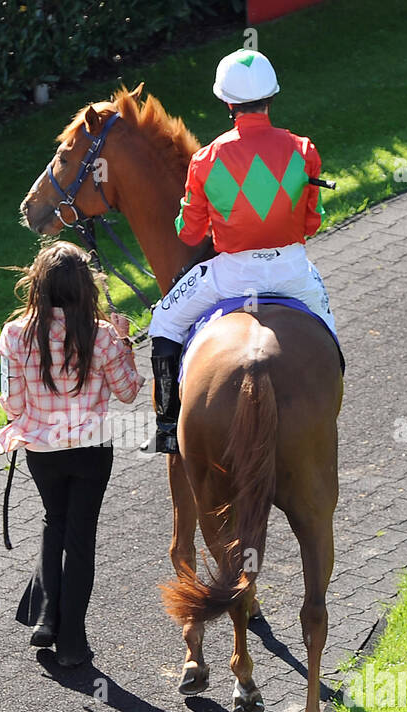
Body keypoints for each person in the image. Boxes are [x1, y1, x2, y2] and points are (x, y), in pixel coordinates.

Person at [148, 48, 336, 454]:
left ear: (227, 102)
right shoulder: (304, 150)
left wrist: (188, 213)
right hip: (293, 271)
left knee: (164, 320)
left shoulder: (205, 159)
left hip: (231, 273)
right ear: (271, 97)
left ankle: (166, 427)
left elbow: (190, 232)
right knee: (329, 334)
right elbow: (312, 223)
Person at [0, 242, 143, 667]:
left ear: (38, 285)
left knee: (52, 521)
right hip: (91, 449)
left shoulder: (14, 335)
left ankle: (46, 617)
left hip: (42, 451)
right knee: (80, 539)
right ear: (85, 286)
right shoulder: (102, 336)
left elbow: (13, 406)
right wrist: (125, 340)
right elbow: (129, 391)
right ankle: (72, 642)